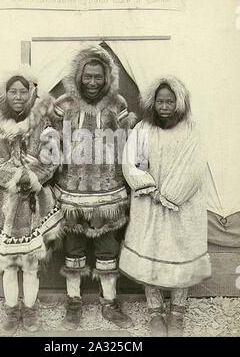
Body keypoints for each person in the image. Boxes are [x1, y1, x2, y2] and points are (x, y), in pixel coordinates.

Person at [50, 45, 137, 329]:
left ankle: (109, 302)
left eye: (98, 77)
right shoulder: (63, 105)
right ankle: (73, 303)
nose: (92, 82)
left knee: (107, 248)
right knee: (73, 249)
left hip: (108, 196)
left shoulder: (118, 105)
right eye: (87, 76)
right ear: (78, 75)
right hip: (71, 195)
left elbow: (130, 148)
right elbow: (49, 144)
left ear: (107, 77)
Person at [0, 67, 63, 333]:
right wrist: (17, 176)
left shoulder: (44, 125)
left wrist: (32, 178)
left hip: (35, 202)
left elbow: (51, 160)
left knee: (31, 262)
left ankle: (31, 310)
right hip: (2, 203)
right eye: (13, 91)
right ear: (5, 94)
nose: (19, 96)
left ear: (32, 93)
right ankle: (12, 310)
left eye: (24, 91)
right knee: (9, 264)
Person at [119, 76, 211, 337]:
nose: (165, 106)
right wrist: (148, 186)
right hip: (149, 204)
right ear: (153, 102)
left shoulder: (191, 129)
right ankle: (155, 312)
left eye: (170, 101)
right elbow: (130, 163)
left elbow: (194, 167)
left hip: (182, 207)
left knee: (181, 254)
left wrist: (170, 194)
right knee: (151, 253)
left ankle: (177, 313)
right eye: (160, 101)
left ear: (179, 102)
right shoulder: (143, 130)